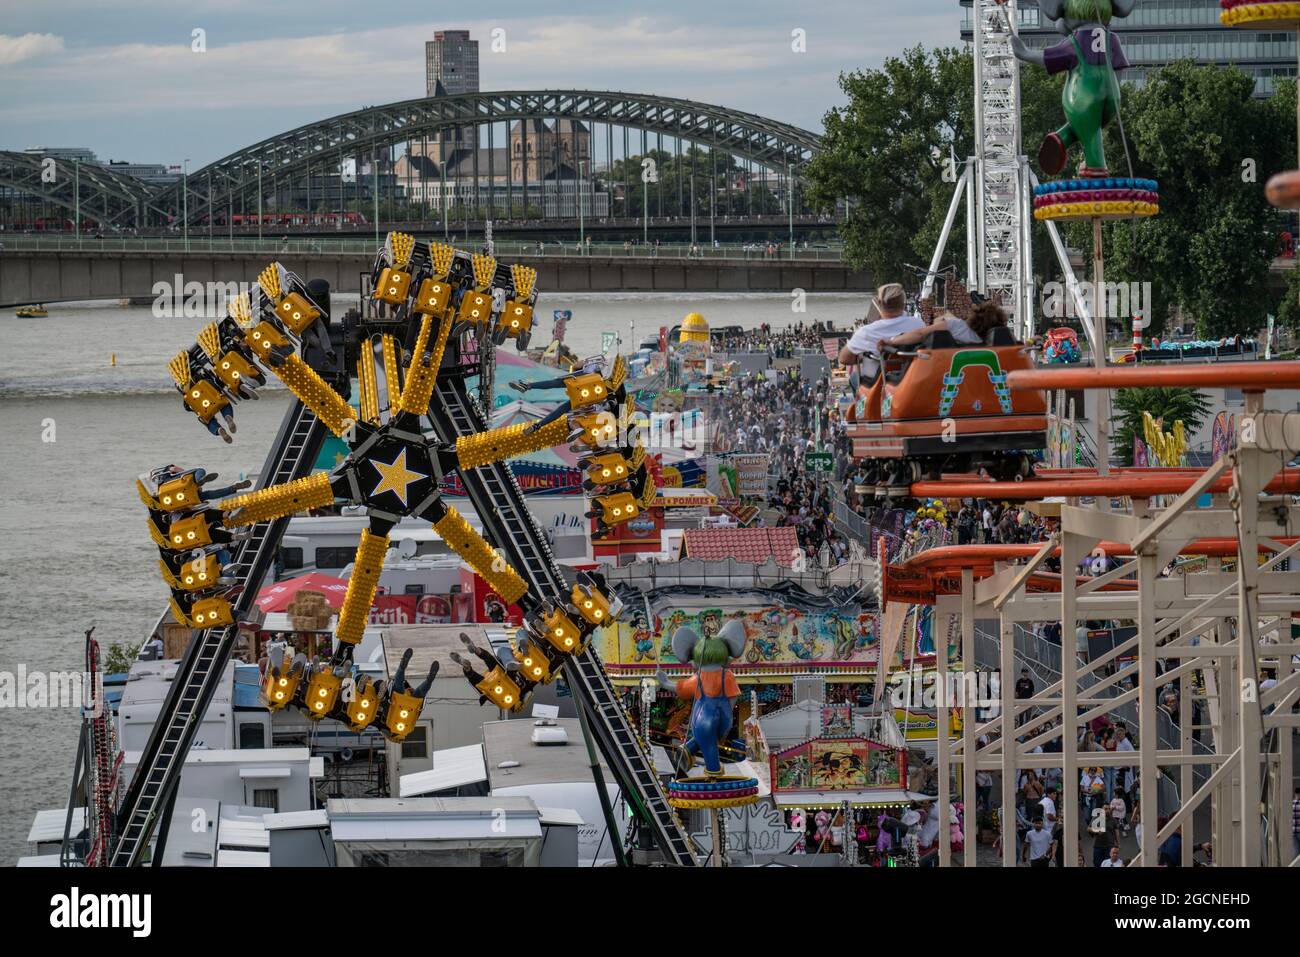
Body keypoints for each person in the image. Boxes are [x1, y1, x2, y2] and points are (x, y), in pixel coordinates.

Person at [837, 283, 923, 383]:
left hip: (878, 382)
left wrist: (863, 357)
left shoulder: (866, 332)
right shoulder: (919, 324)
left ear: (879, 303)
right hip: (911, 378)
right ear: (903, 303)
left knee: (853, 379)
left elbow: (844, 359)